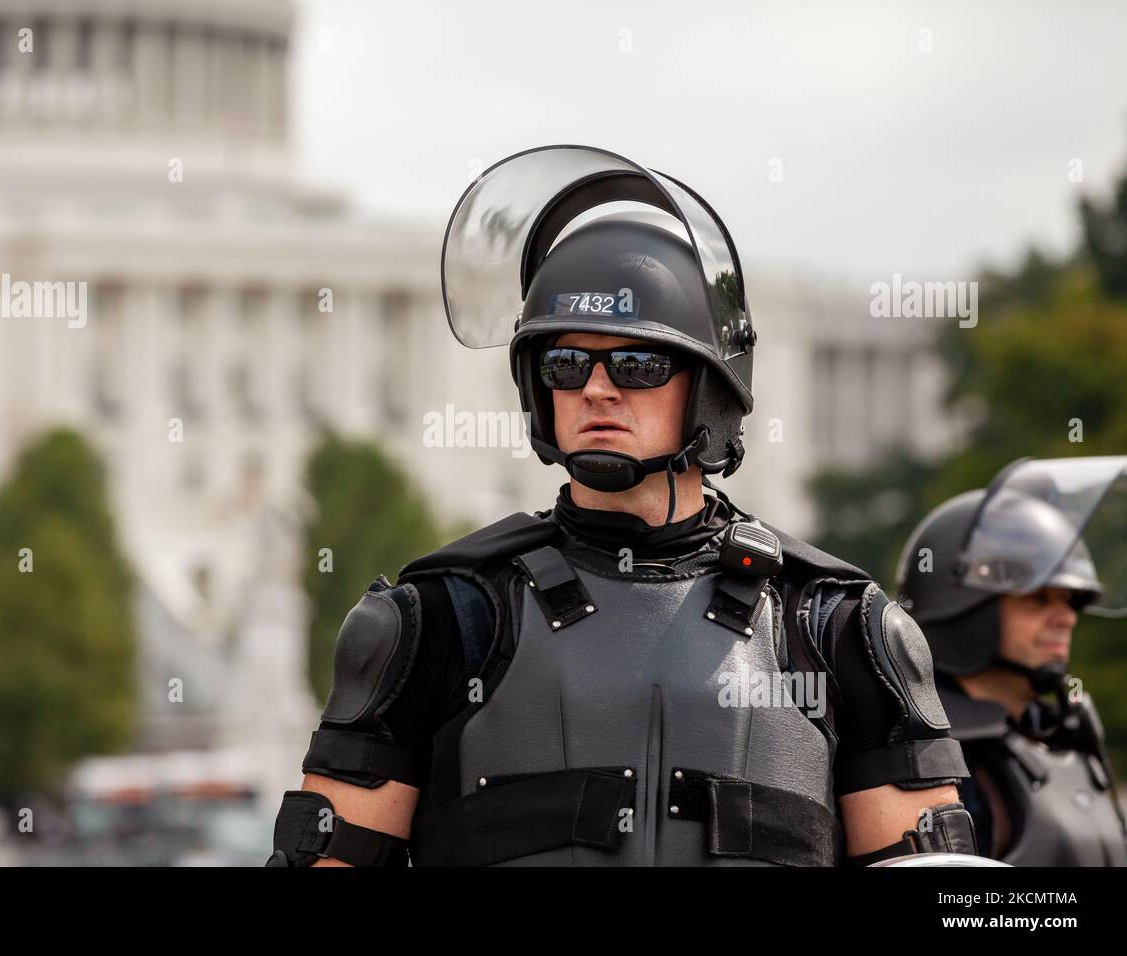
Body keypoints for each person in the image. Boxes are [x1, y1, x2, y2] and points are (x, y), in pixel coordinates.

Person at [268, 145, 976, 867]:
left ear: (709, 388)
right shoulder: (441, 620)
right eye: (565, 363)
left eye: (637, 364)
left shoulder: (836, 627)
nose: (596, 389)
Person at [897, 456, 1127, 865]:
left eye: (1070, 601)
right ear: (966, 610)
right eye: (1038, 599)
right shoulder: (929, 758)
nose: (1067, 617)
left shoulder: (1059, 738)